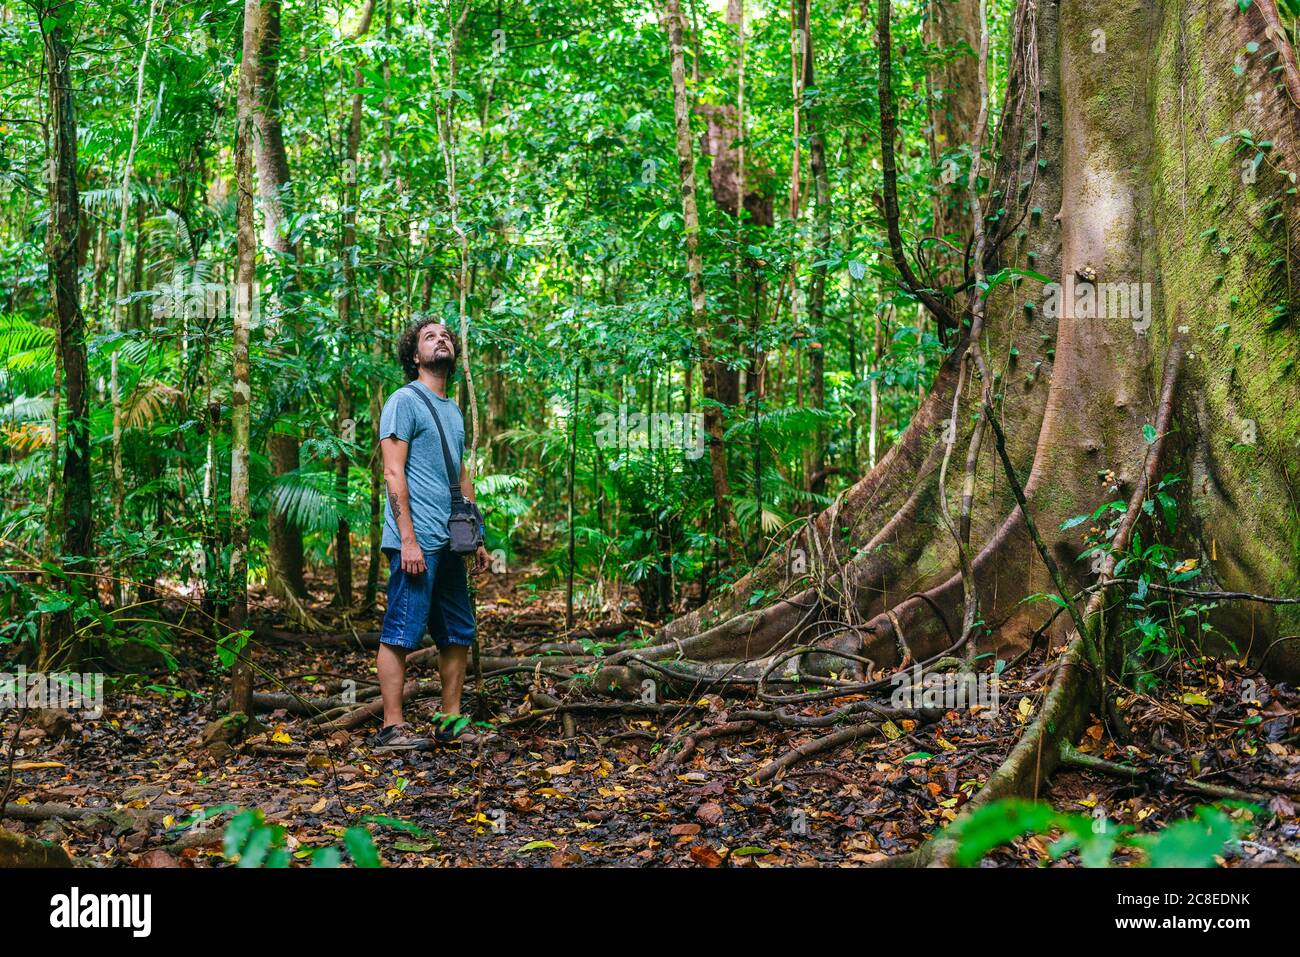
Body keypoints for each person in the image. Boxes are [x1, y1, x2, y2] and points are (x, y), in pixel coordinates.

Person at [368, 319, 491, 751]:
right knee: (402, 630)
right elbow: (392, 470)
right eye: (430, 336)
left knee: (458, 631)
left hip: (451, 539)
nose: (443, 340)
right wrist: (407, 539)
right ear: (415, 355)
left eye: (447, 336)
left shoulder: (453, 409)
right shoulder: (404, 401)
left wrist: (476, 535)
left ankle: (450, 720)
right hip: (415, 539)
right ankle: (392, 727)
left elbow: (461, 475)